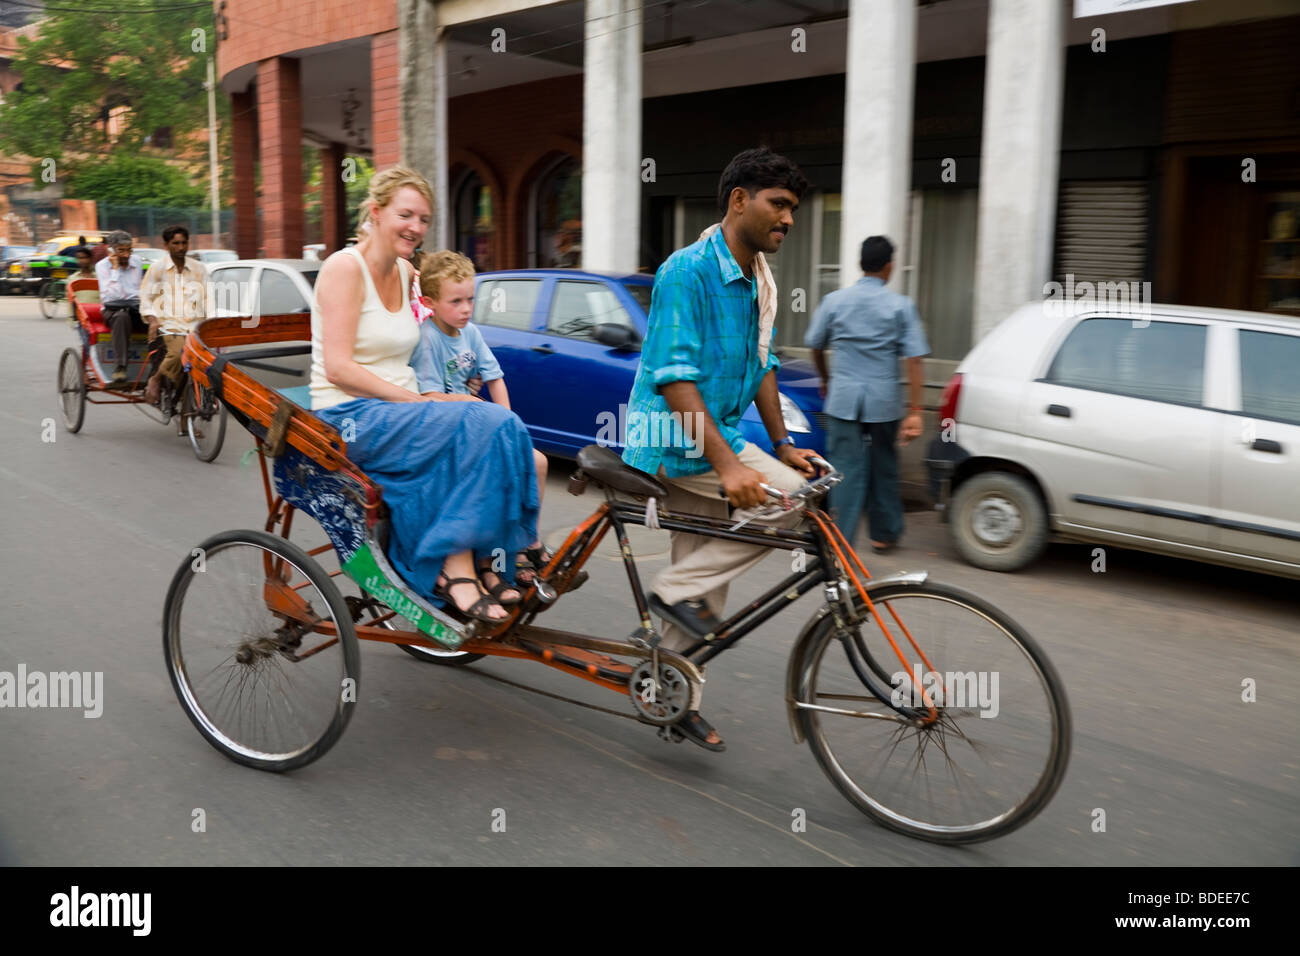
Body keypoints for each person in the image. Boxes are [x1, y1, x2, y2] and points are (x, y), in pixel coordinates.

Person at [621, 147, 818, 752]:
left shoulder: (760, 279)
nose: (788, 219)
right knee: (792, 504)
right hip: (671, 439)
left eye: (792, 209)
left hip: (712, 441)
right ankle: (672, 594)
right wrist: (732, 467)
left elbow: (763, 364)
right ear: (739, 201)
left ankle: (667, 697)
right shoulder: (687, 271)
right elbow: (675, 377)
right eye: (777, 205)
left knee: (707, 589)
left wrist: (782, 442)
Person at [311, 165, 539, 624]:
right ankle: (451, 571)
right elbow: (339, 368)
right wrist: (419, 403)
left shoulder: (408, 272)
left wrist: (458, 383)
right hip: (349, 414)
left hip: (402, 410)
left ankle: (495, 559)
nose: (416, 228)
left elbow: (439, 330)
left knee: (502, 425)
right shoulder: (343, 267)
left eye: (424, 220)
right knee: (479, 424)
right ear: (376, 212)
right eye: (406, 215)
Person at [408, 250, 552, 603]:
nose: (466, 308)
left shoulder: (469, 332)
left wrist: (509, 424)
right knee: (495, 479)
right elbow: (428, 396)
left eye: (470, 299)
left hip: (480, 423)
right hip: (449, 428)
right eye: (455, 301)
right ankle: (491, 563)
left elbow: (495, 378)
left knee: (538, 462)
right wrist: (471, 403)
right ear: (430, 302)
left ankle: (524, 541)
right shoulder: (427, 339)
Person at [805, 236, 929, 553]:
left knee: (844, 469)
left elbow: (816, 345)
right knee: (884, 465)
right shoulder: (901, 306)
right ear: (889, 266)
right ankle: (883, 534)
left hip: (843, 399)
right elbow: (914, 359)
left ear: (861, 264)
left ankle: (839, 542)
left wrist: (826, 378)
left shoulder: (833, 301)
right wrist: (916, 409)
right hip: (884, 403)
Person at [139, 225, 208, 413]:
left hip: (195, 327)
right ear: (166, 245)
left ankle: (186, 420)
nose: (180, 247)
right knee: (179, 354)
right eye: (175, 243)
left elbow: (209, 300)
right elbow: (145, 298)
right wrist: (152, 320)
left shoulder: (199, 269)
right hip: (168, 326)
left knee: (200, 368)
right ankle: (156, 378)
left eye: (184, 243)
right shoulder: (157, 268)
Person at [94, 230, 145, 384]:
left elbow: (139, 291)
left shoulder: (136, 262)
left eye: (129, 250)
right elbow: (111, 296)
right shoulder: (102, 266)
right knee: (122, 317)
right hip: (113, 311)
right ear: (111, 250)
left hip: (136, 308)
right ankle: (120, 366)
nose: (126, 255)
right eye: (121, 250)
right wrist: (115, 270)